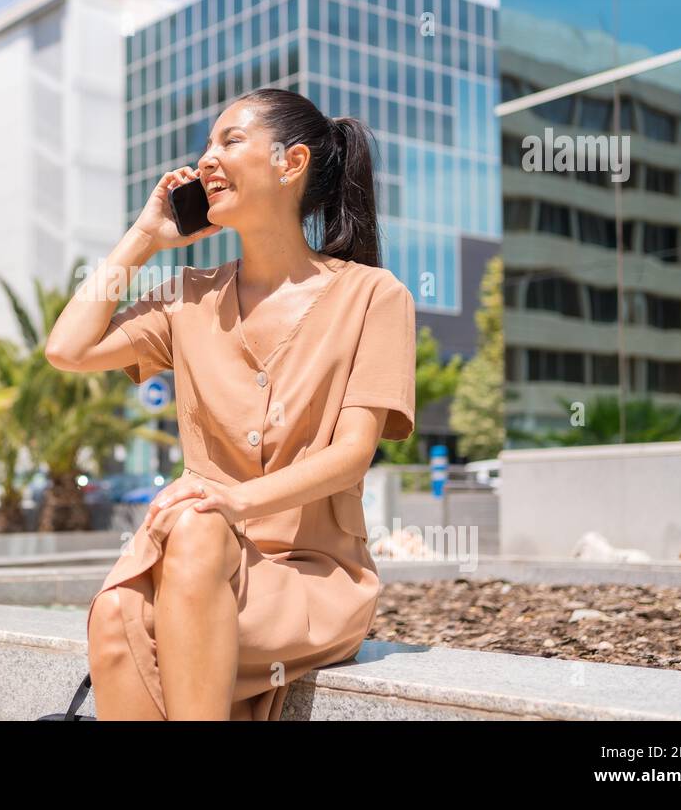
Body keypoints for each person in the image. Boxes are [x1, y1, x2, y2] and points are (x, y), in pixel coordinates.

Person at [45, 87, 417, 720]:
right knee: (115, 608)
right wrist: (142, 237)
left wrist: (233, 501)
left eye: (231, 141)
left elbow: (353, 455)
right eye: (208, 144)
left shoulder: (373, 296)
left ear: (290, 163)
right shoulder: (187, 298)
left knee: (193, 527)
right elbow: (67, 348)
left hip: (311, 579)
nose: (205, 160)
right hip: (197, 561)